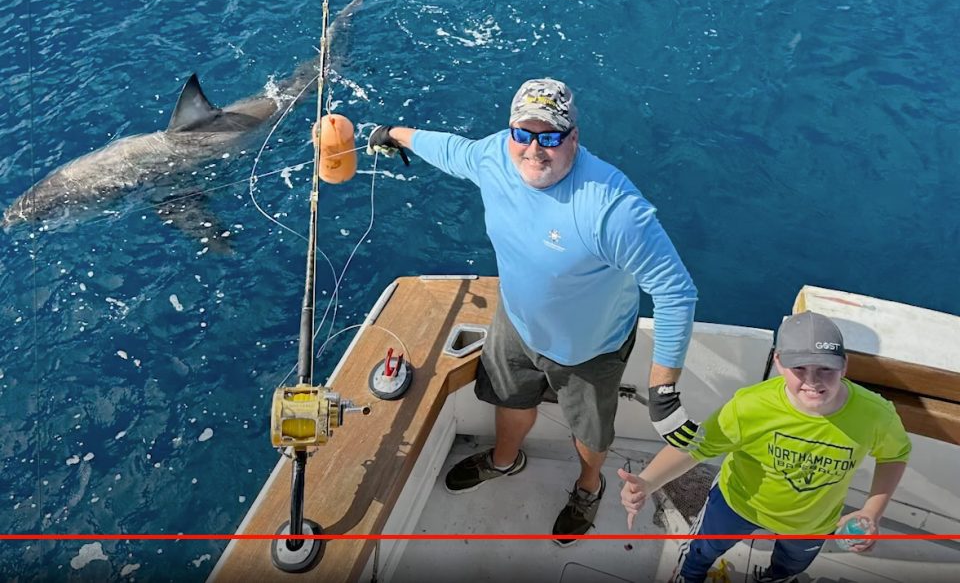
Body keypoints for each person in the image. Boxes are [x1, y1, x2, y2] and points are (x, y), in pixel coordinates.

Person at [366, 78, 698, 543]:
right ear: (510, 133)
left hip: (589, 348)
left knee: (589, 434)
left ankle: (589, 486)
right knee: (509, 400)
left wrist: (663, 390)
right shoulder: (494, 156)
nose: (534, 149)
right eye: (523, 134)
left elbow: (676, 291)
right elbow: (451, 149)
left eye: (550, 137)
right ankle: (504, 460)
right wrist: (394, 134)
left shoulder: (613, 208)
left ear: (573, 138)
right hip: (516, 324)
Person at [618, 311, 911, 583]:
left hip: (813, 522)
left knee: (790, 567)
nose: (812, 381)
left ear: (844, 365)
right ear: (779, 362)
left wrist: (872, 510)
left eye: (825, 368)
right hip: (736, 503)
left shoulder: (876, 415)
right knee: (700, 551)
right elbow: (695, 447)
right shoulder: (750, 406)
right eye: (799, 368)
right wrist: (647, 482)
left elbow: (894, 455)